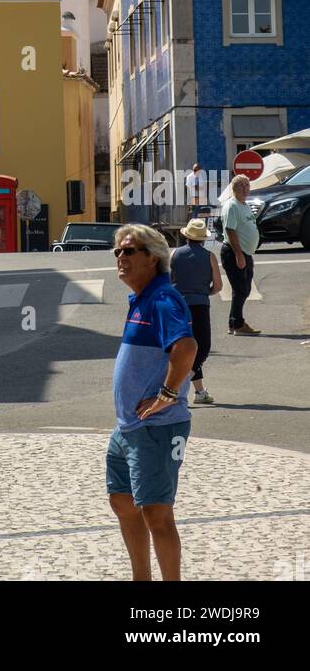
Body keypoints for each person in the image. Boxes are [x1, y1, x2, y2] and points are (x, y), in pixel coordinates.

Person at [107, 225, 198, 582]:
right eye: (117, 252)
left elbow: (186, 348)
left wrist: (168, 395)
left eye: (129, 251)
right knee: (122, 502)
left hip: (156, 428)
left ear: (153, 258)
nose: (121, 258)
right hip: (129, 427)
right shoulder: (142, 297)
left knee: (156, 513)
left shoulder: (162, 297)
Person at [171, 219, 222, 404]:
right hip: (199, 305)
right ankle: (176, 386)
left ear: (186, 236)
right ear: (203, 239)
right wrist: (203, 291)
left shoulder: (175, 254)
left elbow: (168, 281)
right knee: (202, 347)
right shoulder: (209, 256)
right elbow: (218, 286)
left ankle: (199, 391)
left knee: (185, 348)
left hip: (178, 306)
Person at [220, 174, 260, 336]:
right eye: (241, 186)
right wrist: (239, 254)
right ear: (234, 188)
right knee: (241, 289)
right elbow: (230, 230)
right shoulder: (232, 206)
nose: (245, 188)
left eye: (247, 185)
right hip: (234, 252)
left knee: (243, 288)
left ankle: (233, 323)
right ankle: (238, 324)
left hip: (245, 252)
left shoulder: (244, 205)